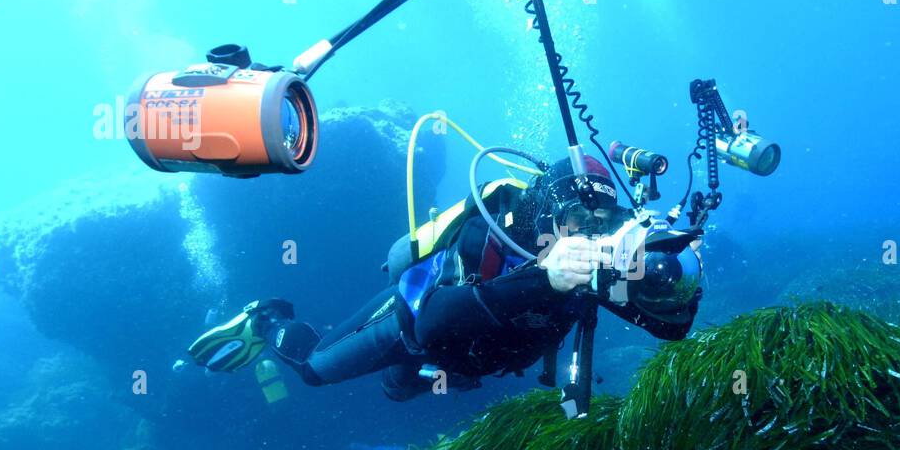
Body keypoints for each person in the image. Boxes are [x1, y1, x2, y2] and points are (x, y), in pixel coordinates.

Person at [186, 157, 701, 401]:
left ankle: (407, 379)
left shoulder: (592, 264)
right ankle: (268, 321)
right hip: (409, 321)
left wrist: (676, 267)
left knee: (398, 390)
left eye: (602, 226)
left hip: (469, 356)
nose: (588, 236)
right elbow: (430, 323)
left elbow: (672, 329)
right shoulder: (488, 237)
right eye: (576, 221)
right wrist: (544, 280)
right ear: (545, 210)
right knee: (316, 370)